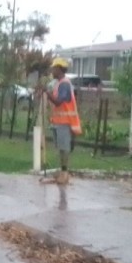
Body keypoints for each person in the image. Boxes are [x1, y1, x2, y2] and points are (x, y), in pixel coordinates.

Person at [38, 56, 81, 185]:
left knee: (64, 148)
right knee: (61, 148)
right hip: (59, 122)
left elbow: (58, 102)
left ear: (59, 69)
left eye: (54, 68)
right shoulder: (59, 84)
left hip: (65, 121)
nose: (52, 71)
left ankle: (64, 173)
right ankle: (62, 172)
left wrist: (47, 92)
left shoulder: (65, 84)